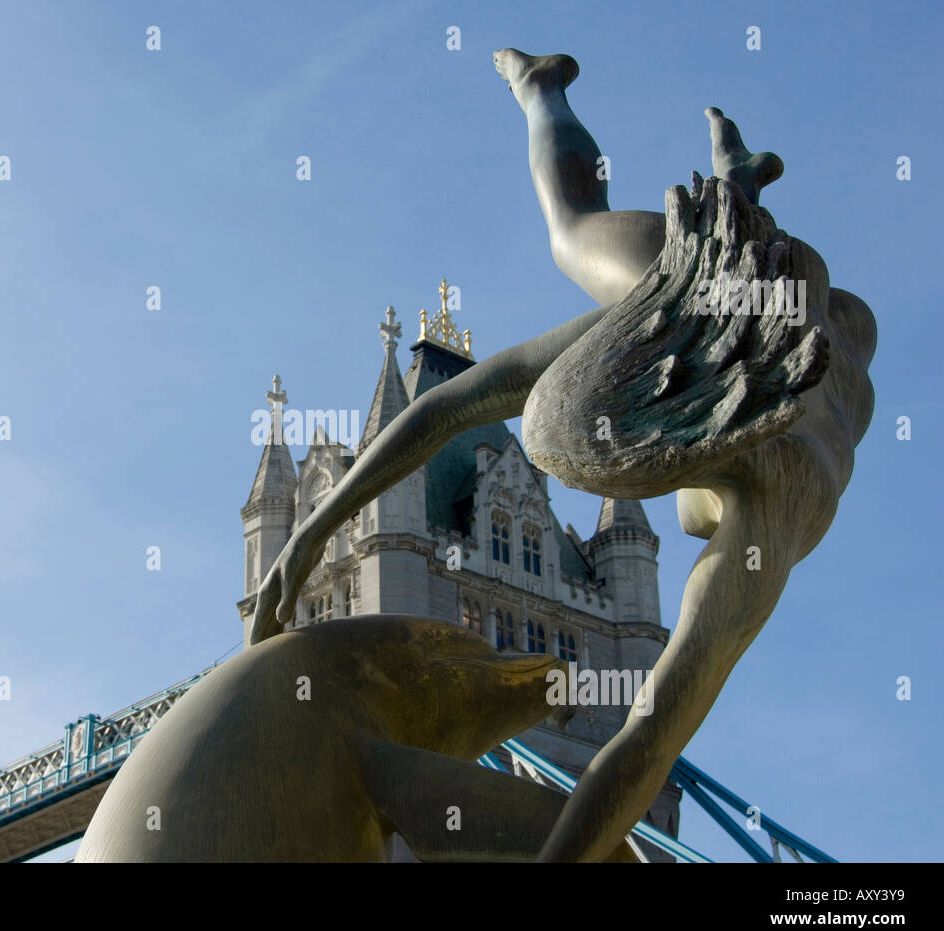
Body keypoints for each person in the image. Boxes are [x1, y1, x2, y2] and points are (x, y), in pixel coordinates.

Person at [249, 48, 876, 862]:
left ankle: (578, 107)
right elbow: (448, 405)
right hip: (754, 301)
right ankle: (681, 161)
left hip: (821, 326)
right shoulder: (653, 322)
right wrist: (311, 533)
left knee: (575, 228)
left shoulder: (768, 521)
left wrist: (310, 530)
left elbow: (641, 753)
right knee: (577, 235)